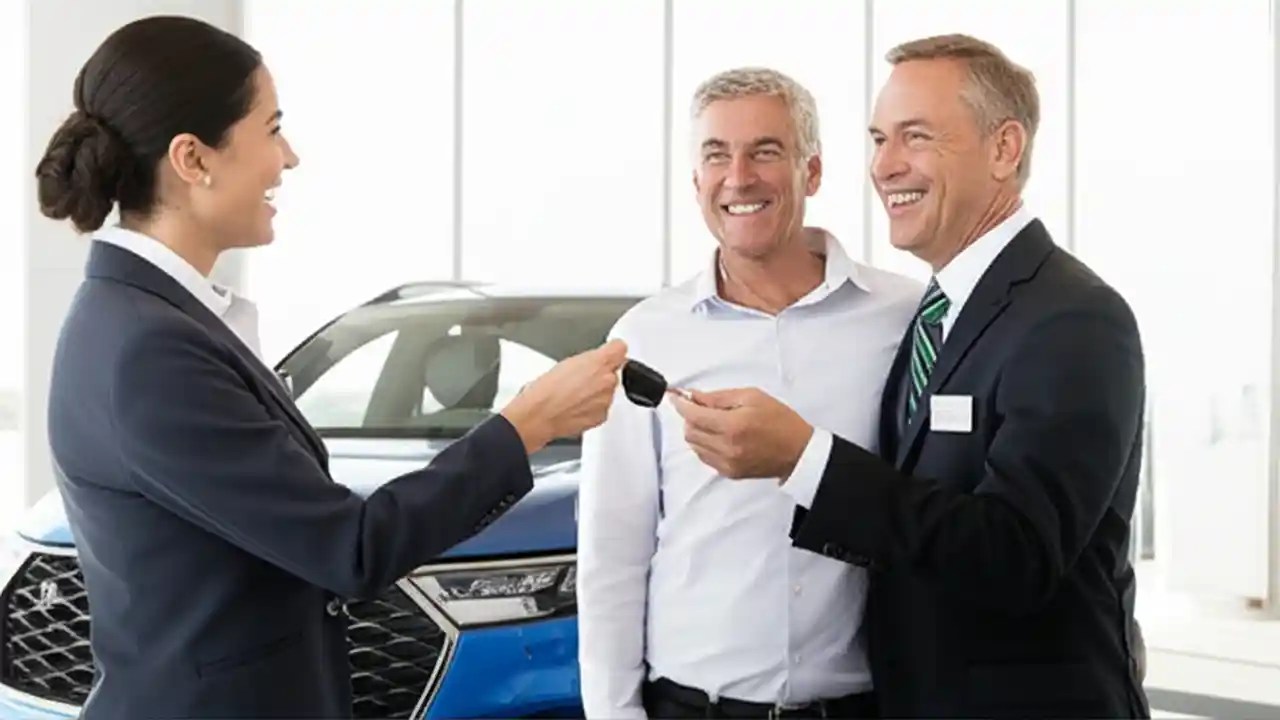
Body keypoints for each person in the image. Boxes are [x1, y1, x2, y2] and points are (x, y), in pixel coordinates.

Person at [35, 15, 625, 720]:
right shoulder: (149, 351)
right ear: (193, 159)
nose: (287, 158)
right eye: (271, 128)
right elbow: (352, 548)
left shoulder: (143, 321)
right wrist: (528, 423)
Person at [670, 35, 1149, 719]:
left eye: (915, 137)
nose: (885, 166)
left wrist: (804, 460)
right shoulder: (933, 311)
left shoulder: (1074, 318)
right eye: (878, 139)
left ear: (1004, 148)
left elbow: (1016, 557)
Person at [576, 67, 920, 719]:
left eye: (765, 151)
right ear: (696, 182)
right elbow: (613, 553)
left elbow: (932, 512)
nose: (738, 178)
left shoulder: (902, 319)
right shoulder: (646, 338)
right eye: (717, 155)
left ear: (811, 172)